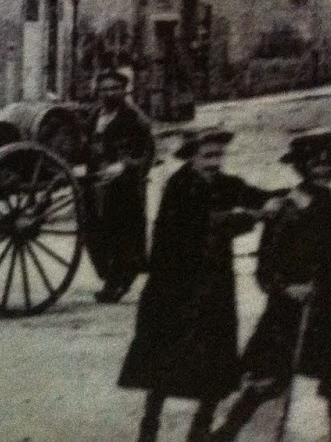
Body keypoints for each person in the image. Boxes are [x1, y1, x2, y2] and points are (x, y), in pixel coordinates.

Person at [117, 127, 278, 442]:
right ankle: (149, 427)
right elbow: (205, 226)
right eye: (208, 156)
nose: (215, 162)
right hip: (175, 287)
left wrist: (282, 198)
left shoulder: (222, 183)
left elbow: (253, 193)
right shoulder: (179, 186)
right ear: (191, 157)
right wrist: (254, 216)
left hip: (214, 287)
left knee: (217, 359)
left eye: (219, 156)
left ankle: (201, 427)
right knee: (164, 363)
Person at [210, 128, 331, 442]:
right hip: (288, 311)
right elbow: (264, 269)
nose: (324, 170)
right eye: (315, 164)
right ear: (301, 168)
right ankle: (224, 435)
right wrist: (287, 289)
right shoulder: (285, 209)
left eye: (329, 163)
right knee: (267, 380)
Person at [82, 68, 155, 303]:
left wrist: (124, 166)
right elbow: (85, 145)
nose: (109, 93)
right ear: (98, 92)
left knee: (123, 234)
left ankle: (119, 283)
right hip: (97, 180)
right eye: (104, 89)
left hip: (124, 185)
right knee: (96, 231)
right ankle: (111, 278)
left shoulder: (135, 118)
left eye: (115, 89)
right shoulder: (94, 116)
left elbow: (147, 152)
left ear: (124, 90)